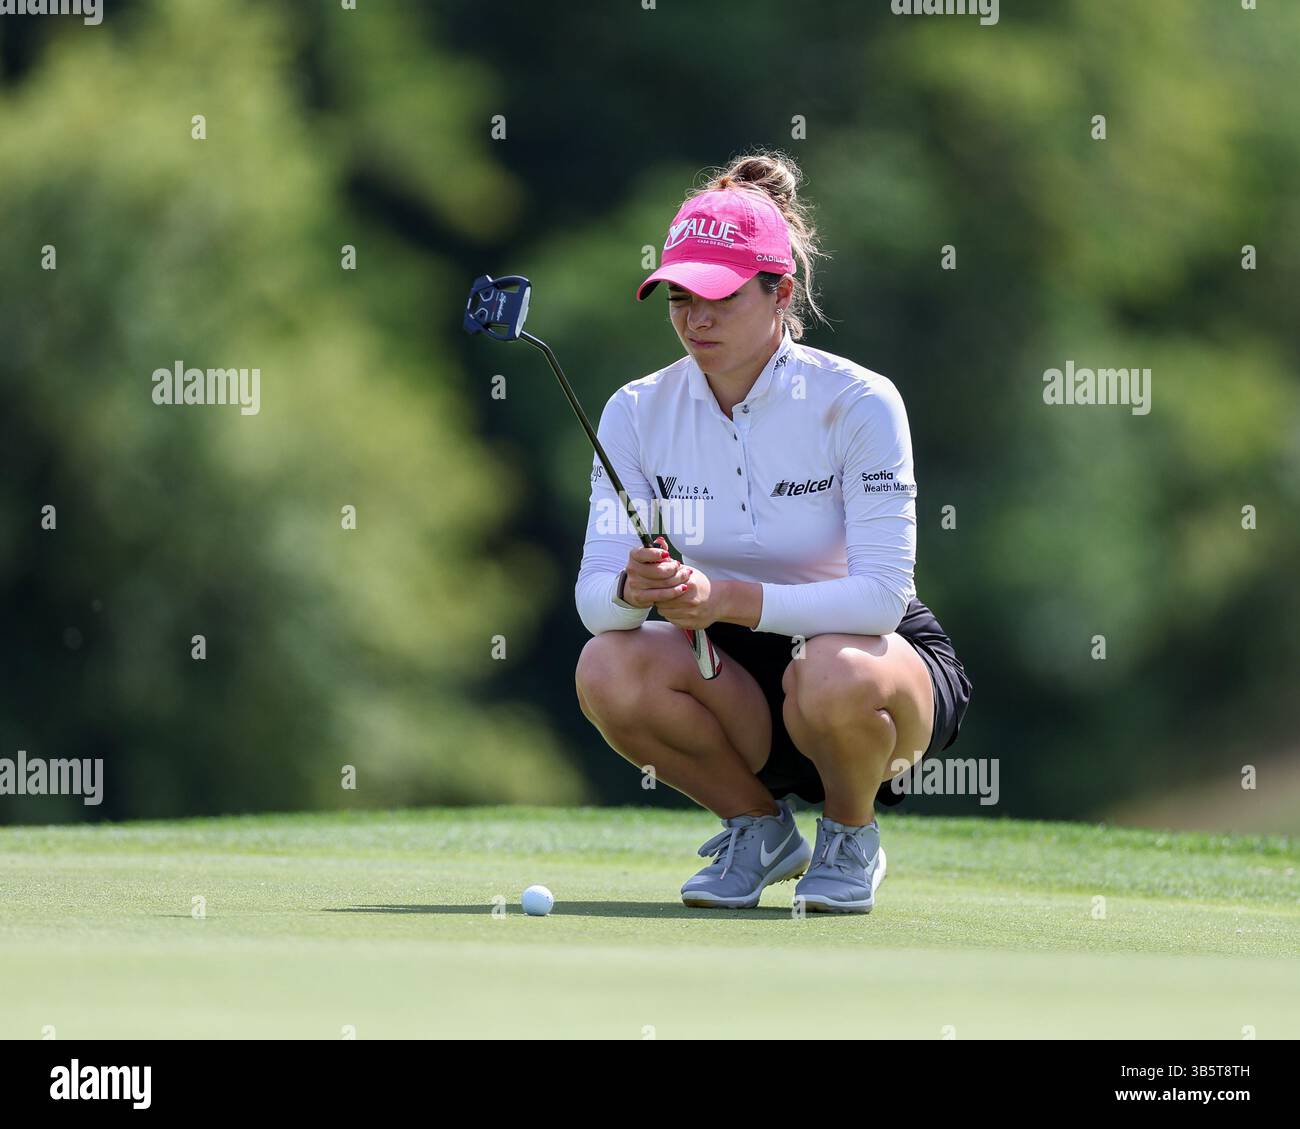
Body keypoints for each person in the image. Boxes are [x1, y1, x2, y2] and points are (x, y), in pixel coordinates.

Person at [573, 150, 972, 914]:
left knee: (832, 674)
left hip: (871, 664)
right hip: (729, 667)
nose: (696, 318)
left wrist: (725, 595)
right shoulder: (636, 410)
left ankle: (851, 836)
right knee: (605, 666)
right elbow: (598, 604)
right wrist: (635, 589)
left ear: (780, 291)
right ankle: (758, 829)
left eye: (719, 297)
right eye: (679, 297)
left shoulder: (857, 400)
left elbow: (884, 597)